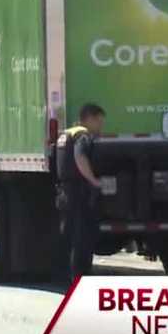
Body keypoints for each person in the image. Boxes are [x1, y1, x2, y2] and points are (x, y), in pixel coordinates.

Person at [54, 103, 105, 284]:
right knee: (82, 237)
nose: (101, 127)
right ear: (89, 119)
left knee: (66, 235)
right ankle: (80, 278)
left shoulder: (66, 134)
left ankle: (62, 276)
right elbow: (80, 157)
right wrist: (93, 180)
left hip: (64, 191)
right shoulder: (82, 136)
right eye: (99, 122)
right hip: (78, 192)